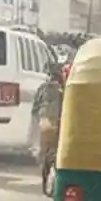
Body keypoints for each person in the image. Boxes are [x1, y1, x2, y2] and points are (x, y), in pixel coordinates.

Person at [33, 61, 65, 192]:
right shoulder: (64, 90)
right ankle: (55, 184)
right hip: (58, 123)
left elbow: (35, 109)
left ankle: (45, 182)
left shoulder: (42, 88)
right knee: (57, 153)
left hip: (44, 122)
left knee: (45, 153)